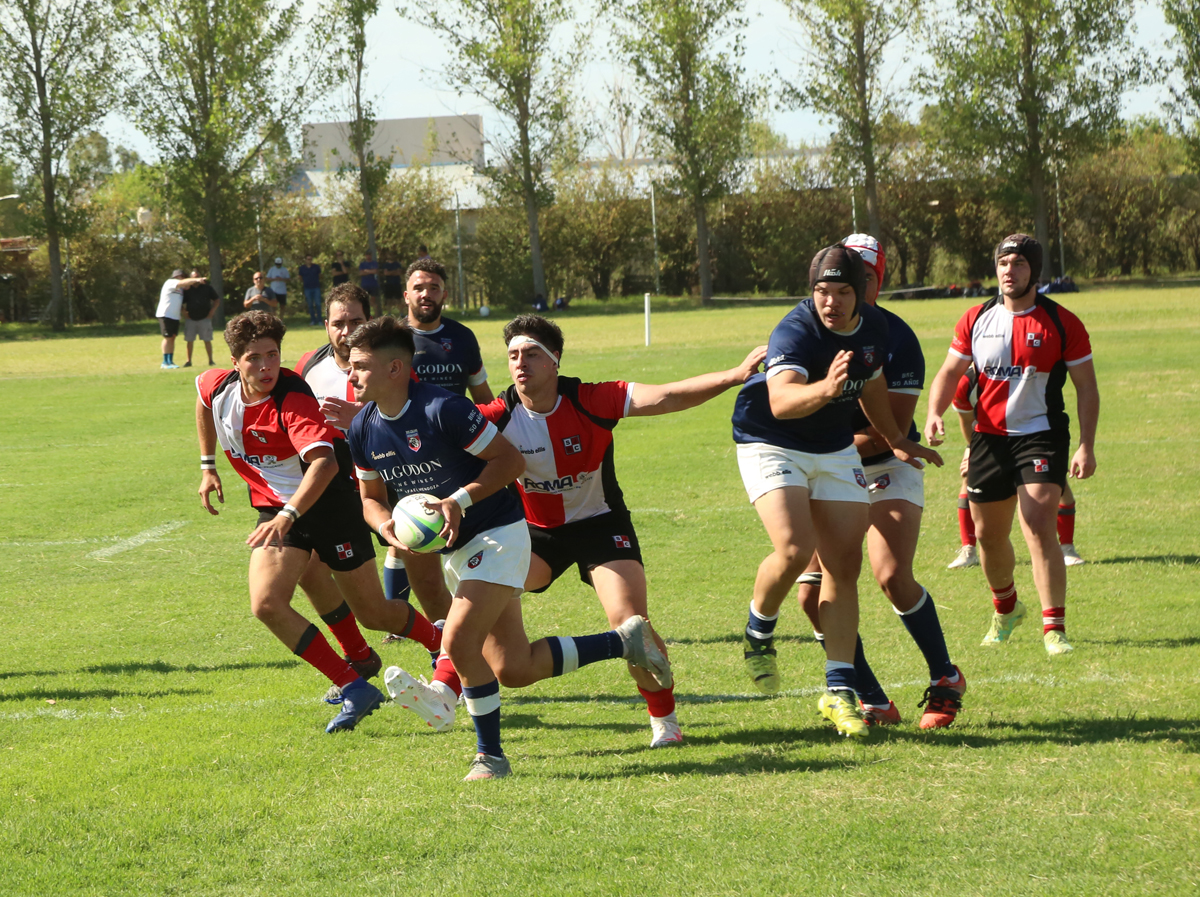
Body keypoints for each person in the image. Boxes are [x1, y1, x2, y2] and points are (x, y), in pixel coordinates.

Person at [346, 316, 671, 780]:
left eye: (359, 366)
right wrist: (387, 528)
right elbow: (371, 498)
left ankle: (485, 750)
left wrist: (457, 501)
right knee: (514, 668)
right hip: (456, 549)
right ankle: (622, 642)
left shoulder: (444, 409)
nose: (351, 376)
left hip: (499, 533)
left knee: (459, 640)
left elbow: (510, 461)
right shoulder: (363, 428)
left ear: (396, 369)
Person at [446, 314, 764, 748]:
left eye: (533, 354)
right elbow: (437, 434)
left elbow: (666, 396)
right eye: (514, 355)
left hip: (600, 525)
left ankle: (665, 721)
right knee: (506, 663)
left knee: (632, 621)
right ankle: (444, 682)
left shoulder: (591, 399)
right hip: (534, 534)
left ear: (555, 360)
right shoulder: (497, 416)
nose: (521, 363)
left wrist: (734, 375)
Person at [731, 244, 943, 738]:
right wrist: (827, 390)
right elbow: (781, 402)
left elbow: (869, 383)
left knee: (843, 566)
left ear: (863, 293)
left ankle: (840, 690)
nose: (831, 302)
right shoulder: (794, 330)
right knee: (794, 547)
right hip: (771, 441)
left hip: (832, 447)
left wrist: (897, 440)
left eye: (842, 291)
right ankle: (759, 630)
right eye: (822, 292)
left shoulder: (876, 327)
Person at [195, 312, 441, 734]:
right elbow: (202, 403)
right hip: (279, 511)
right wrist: (207, 465)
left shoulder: (292, 399)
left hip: (329, 506)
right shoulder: (214, 385)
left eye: (272, 355)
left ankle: (444, 644)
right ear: (234, 361)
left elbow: (324, 463)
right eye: (254, 358)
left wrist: (291, 514)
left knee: (375, 612)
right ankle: (353, 685)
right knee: (267, 604)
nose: (266, 366)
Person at [777, 235, 966, 730]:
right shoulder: (807, 328)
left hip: (882, 461)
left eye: (857, 277)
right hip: (827, 463)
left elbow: (892, 434)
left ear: (874, 282)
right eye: (832, 281)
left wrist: (812, 446)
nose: (840, 290)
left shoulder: (895, 337)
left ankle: (946, 678)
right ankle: (873, 699)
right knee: (809, 593)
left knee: (889, 574)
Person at [925, 234, 1099, 657]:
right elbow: (950, 372)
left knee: (1039, 524)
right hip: (989, 439)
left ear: (1033, 272)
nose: (1008, 271)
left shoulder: (1062, 322)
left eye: (1018, 264)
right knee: (987, 536)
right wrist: (933, 412)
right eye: (1003, 263)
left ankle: (1053, 628)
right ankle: (1006, 609)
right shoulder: (975, 318)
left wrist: (1087, 445)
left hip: (1041, 435)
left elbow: (1087, 388)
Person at [295, 284, 454, 682]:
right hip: (338, 492)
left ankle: (453, 663)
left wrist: (362, 420)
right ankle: (357, 655)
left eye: (355, 321)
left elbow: (411, 417)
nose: (346, 331)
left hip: (396, 485)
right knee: (315, 573)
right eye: (338, 323)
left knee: (430, 587)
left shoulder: (386, 364)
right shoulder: (308, 368)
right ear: (326, 325)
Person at [948, 364, 1086, 568]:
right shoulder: (967, 382)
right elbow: (967, 418)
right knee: (969, 477)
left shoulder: (1025, 371)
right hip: (990, 437)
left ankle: (1067, 548)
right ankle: (968, 549)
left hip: (1032, 436)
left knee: (1057, 485)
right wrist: (971, 449)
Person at [156, 268, 207, 369]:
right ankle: (165, 362)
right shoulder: (170, 282)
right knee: (168, 337)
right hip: (166, 314)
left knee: (173, 337)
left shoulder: (181, 288)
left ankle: (170, 361)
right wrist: (197, 279)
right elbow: (183, 283)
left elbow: (187, 287)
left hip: (174, 316)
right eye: (182, 277)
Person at [182, 267, 219, 367]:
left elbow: (217, 299)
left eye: (197, 277)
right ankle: (188, 361)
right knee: (189, 340)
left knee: (207, 339)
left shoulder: (207, 288)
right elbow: (180, 302)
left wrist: (212, 312)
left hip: (205, 318)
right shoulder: (187, 289)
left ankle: (211, 360)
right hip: (191, 318)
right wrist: (184, 313)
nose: (196, 279)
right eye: (194, 277)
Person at [298, 255, 323, 326]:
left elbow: (320, 275)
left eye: (310, 259)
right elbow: (300, 277)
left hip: (316, 287)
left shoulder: (316, 267)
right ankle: (313, 320)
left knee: (318, 304)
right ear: (305, 260)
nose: (309, 260)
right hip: (307, 288)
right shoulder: (302, 268)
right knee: (310, 305)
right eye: (308, 259)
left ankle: (320, 321)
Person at [358, 251, 379, 316]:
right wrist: (370, 271)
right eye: (367, 255)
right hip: (364, 284)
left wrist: (366, 271)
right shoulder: (362, 264)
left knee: (373, 301)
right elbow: (361, 273)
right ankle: (365, 315)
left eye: (369, 255)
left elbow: (375, 271)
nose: (368, 256)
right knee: (364, 301)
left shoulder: (374, 263)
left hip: (373, 284)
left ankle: (376, 315)